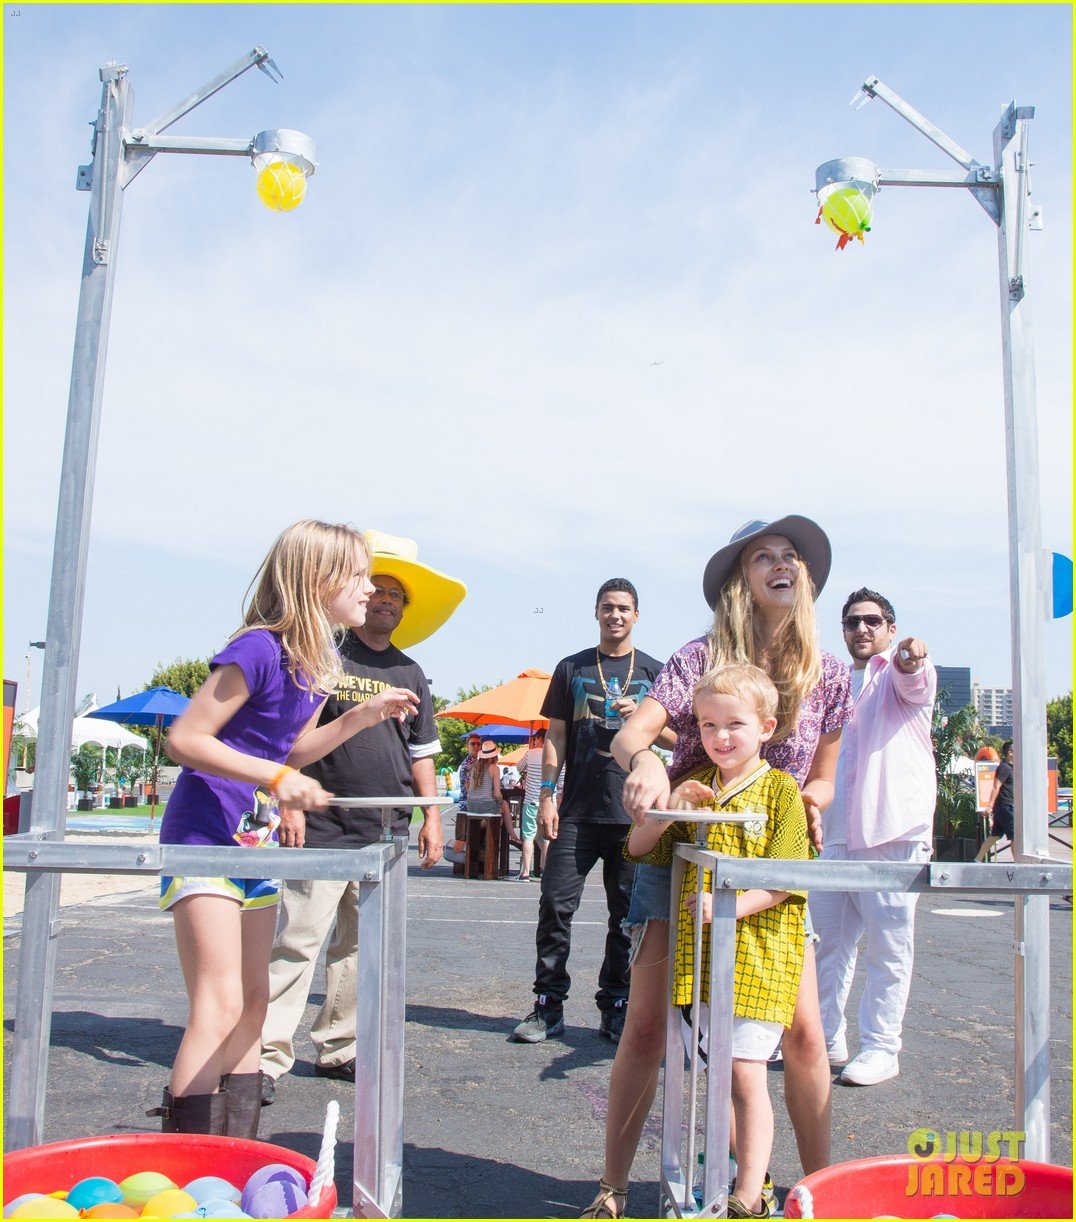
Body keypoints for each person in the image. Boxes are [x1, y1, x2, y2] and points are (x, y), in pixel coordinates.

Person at [583, 516, 851, 1218]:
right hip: (682, 857)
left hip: (771, 867)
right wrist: (645, 764)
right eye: (763, 556)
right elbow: (633, 734)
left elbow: (824, 775)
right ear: (740, 579)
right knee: (646, 1024)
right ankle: (613, 1186)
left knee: (803, 1035)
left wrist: (814, 803)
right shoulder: (696, 656)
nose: (780, 565)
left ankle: (820, 1191)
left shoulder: (829, 671)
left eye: (791, 556)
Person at [151, 520, 419, 1137]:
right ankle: (187, 1154)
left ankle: (235, 1151)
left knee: (252, 1006)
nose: (369, 587)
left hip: (255, 848)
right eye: (357, 575)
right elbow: (186, 740)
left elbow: (292, 748)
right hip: (205, 840)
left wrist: (362, 717)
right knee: (216, 1008)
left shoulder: (313, 662)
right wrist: (274, 778)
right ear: (316, 580)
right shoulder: (258, 647)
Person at [259, 530, 465, 1103]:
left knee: (357, 948)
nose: (385, 601)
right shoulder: (323, 655)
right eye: (377, 590)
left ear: (404, 610)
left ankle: (339, 1047)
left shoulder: (412, 672)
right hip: (324, 821)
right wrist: (288, 798)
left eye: (396, 596)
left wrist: (431, 818)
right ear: (360, 596)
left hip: (386, 829)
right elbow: (289, 741)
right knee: (298, 941)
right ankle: (266, 1058)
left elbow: (423, 753)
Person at [626, 663, 810, 1220]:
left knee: (746, 1073)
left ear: (767, 727)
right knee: (717, 1072)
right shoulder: (699, 787)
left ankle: (750, 1197)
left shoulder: (780, 789)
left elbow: (787, 876)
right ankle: (737, 1180)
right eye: (707, 725)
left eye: (734, 724)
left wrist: (726, 904)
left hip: (760, 957)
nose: (720, 737)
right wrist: (668, 810)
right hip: (701, 962)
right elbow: (639, 848)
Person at [511, 579, 664, 1045]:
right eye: (607, 608)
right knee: (555, 906)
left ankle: (615, 1006)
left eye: (623, 609)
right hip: (575, 809)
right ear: (595, 612)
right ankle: (547, 1005)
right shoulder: (571, 668)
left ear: (637, 615)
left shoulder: (656, 672)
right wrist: (546, 795)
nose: (615, 615)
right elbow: (555, 735)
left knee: (627, 917)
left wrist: (641, 715)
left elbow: (681, 740)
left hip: (633, 814)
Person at [811, 588, 936, 1088]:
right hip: (834, 832)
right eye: (851, 622)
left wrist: (909, 657)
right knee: (826, 945)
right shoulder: (834, 679)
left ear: (888, 626)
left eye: (871, 621)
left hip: (891, 831)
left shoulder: (898, 676)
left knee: (889, 946)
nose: (861, 629)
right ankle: (824, 1038)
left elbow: (916, 677)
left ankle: (882, 1047)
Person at [467, 738, 519, 853]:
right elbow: (497, 794)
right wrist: (500, 801)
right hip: (485, 806)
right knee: (504, 805)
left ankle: (482, 831)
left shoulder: (474, 767)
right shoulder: (494, 769)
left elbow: (470, 788)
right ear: (494, 756)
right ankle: (513, 836)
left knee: (499, 817)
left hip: (471, 806)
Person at [516, 727, 548, 881]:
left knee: (528, 837)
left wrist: (530, 749)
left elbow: (519, 767)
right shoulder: (554, 754)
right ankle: (547, 871)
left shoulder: (531, 753)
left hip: (530, 801)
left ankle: (526, 872)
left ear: (539, 739)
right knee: (547, 838)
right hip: (548, 803)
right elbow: (561, 781)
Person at [975, 740, 1015, 862]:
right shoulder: (1004, 768)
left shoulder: (1011, 767)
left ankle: (977, 859)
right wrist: (989, 806)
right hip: (1005, 806)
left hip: (1003, 806)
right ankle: (1018, 863)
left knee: (995, 835)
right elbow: (996, 786)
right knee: (1015, 836)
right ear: (1010, 752)